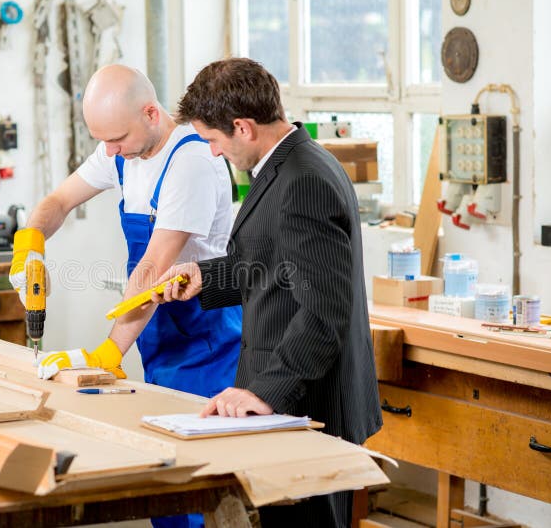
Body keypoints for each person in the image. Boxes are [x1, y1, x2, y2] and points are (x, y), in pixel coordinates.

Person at [151, 58, 382, 527]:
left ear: (242, 127)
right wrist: (207, 276)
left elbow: (324, 310)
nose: (214, 154)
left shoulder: (304, 181)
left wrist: (265, 391)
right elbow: (278, 267)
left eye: (214, 141)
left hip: (307, 405)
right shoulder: (293, 165)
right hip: (290, 398)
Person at [10, 63, 242, 528]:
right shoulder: (120, 150)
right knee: (164, 478)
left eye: (116, 139)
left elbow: (153, 271)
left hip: (207, 340)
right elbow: (57, 201)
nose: (110, 150)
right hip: (158, 334)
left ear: (151, 113)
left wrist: (107, 352)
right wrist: (30, 242)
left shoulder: (192, 160)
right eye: (104, 140)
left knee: (197, 483)